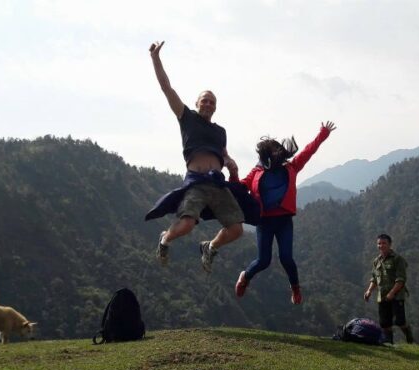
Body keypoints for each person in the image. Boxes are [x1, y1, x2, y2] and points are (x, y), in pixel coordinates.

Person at [144, 41, 250, 273]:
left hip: (218, 184)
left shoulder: (220, 131)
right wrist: (155, 58)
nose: (208, 104)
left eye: (212, 102)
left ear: (215, 107)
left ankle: (210, 247)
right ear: (197, 103)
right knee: (186, 224)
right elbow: (166, 88)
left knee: (236, 230)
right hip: (196, 183)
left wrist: (230, 163)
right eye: (205, 100)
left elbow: (223, 154)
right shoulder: (187, 117)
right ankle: (165, 238)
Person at [233, 121, 336, 304]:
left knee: (286, 258)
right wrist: (231, 180)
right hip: (264, 221)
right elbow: (242, 185)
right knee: (263, 261)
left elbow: (308, 151)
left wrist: (323, 134)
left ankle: (295, 288)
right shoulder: (256, 172)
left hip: (284, 220)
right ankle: (245, 277)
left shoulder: (291, 167)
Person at [363, 234, 414, 344]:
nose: (381, 246)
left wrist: (392, 293)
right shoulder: (377, 261)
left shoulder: (398, 259)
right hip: (382, 295)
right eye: (379, 243)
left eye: (384, 243)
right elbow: (374, 279)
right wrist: (369, 291)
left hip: (397, 295)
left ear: (390, 244)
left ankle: (408, 333)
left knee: (399, 321)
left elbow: (401, 279)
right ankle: (389, 342)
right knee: (385, 322)